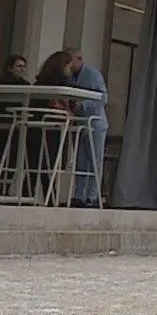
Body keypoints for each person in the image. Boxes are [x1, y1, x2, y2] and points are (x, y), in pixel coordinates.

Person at [62, 48, 110, 209]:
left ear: (79, 59)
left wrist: (83, 105)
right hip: (79, 123)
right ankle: (79, 194)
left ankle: (92, 196)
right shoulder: (69, 77)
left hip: (95, 122)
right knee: (80, 160)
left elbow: (103, 97)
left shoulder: (93, 75)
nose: (69, 64)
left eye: (70, 60)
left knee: (95, 160)